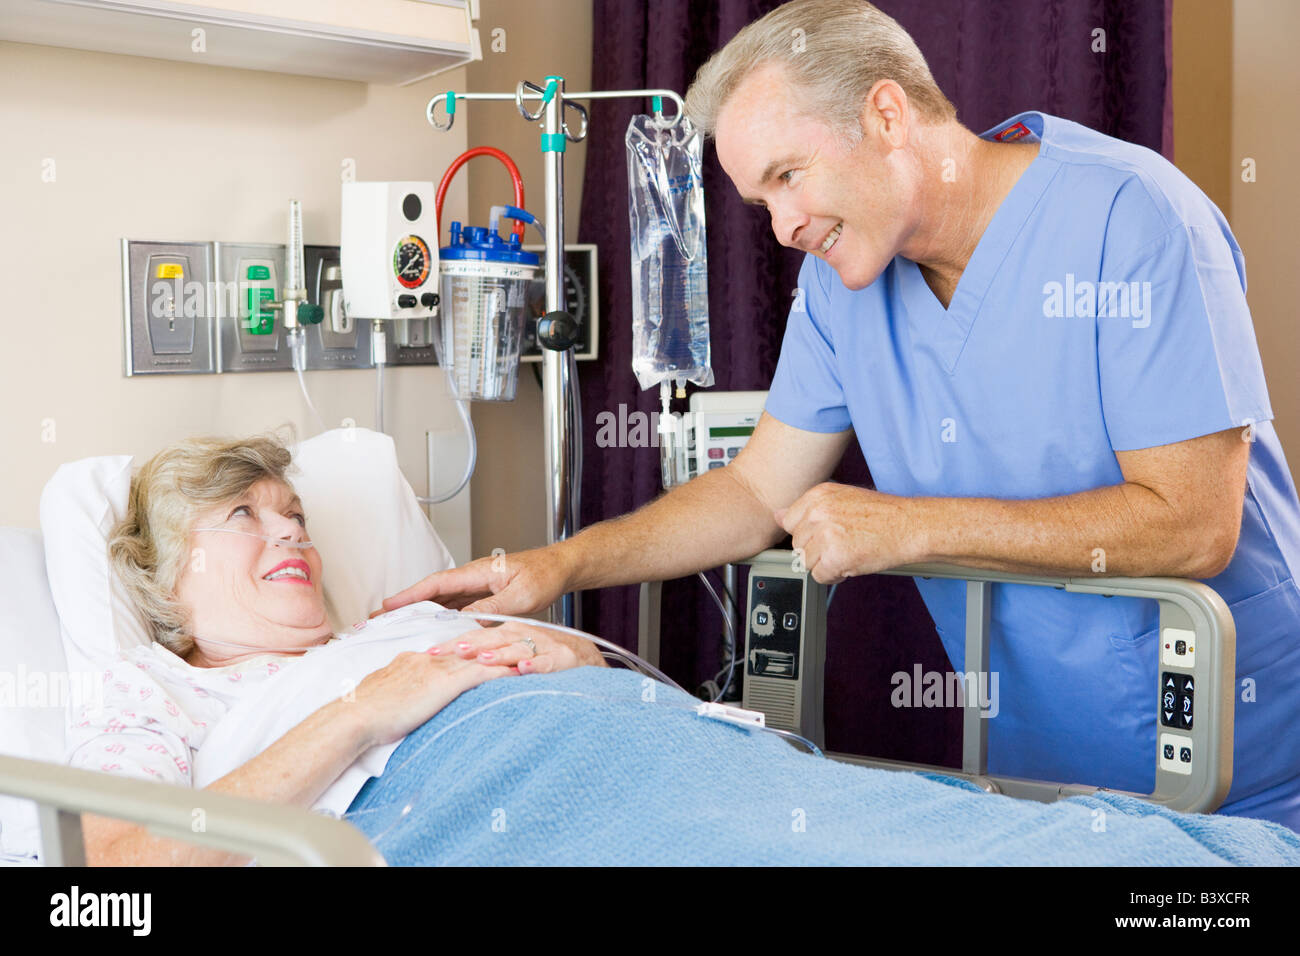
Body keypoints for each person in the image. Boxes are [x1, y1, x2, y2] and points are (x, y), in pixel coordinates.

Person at [379, 0, 1300, 831]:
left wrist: (906, 528)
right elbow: (753, 493)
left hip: (1248, 767)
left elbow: (1192, 524)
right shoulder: (839, 291)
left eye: (789, 176)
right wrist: (556, 564)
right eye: (758, 200)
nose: (781, 228)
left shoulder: (1132, 220)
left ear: (887, 115)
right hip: (1044, 789)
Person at [71, 433, 603, 866]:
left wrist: (587, 666)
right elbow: (120, 873)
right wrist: (361, 714)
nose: (291, 531)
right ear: (164, 579)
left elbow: (606, 682)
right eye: (242, 513)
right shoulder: (154, 691)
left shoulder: (395, 630)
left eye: (297, 517)